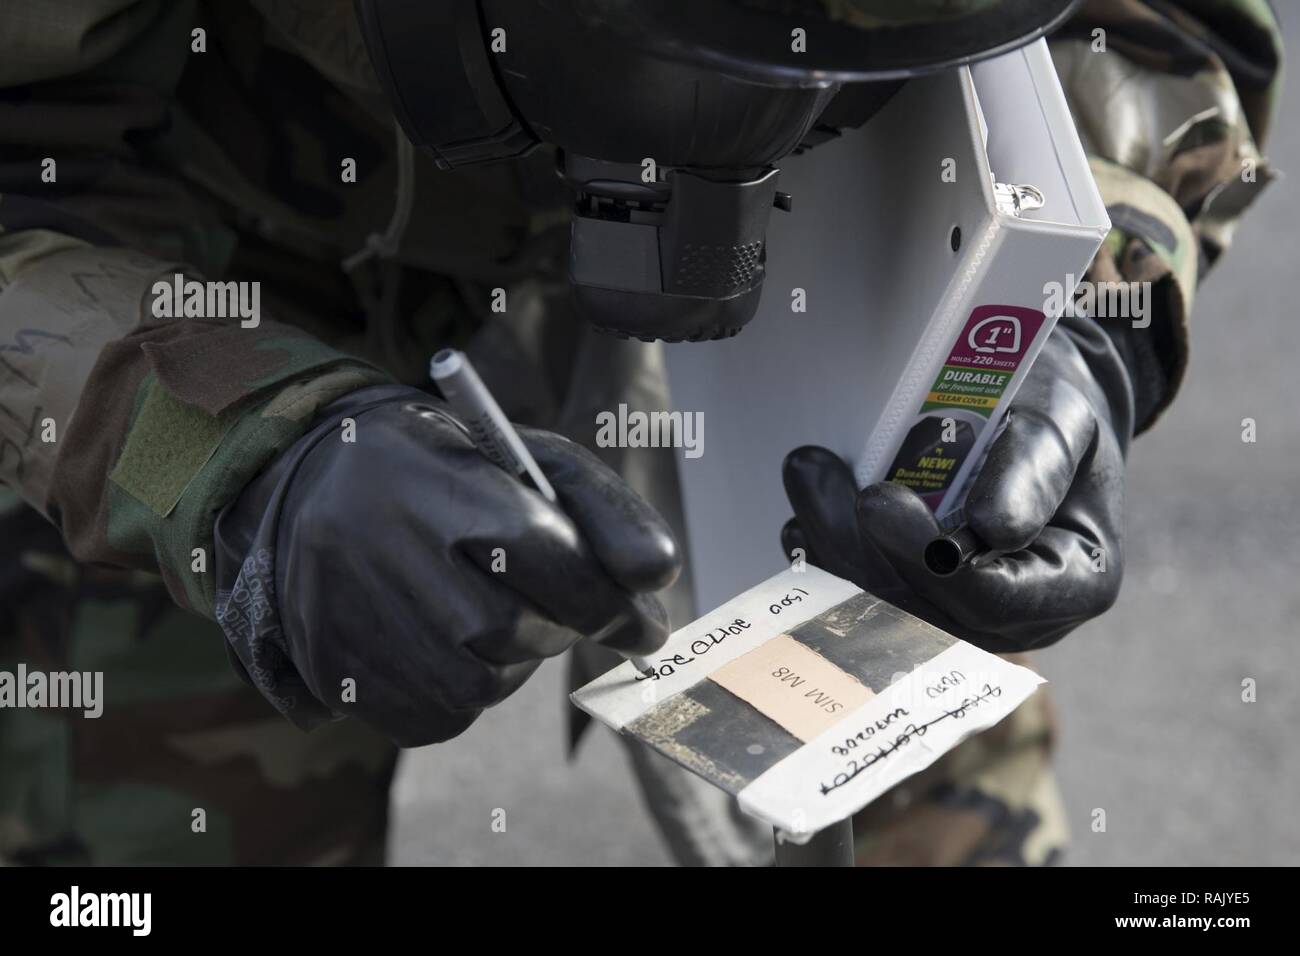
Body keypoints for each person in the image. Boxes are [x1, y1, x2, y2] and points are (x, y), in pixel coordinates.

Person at [0, 0, 1282, 865]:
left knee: (912, 734)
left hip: (833, 244)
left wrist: (1091, 320)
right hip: (186, 258)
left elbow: (1153, 27)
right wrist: (233, 459)